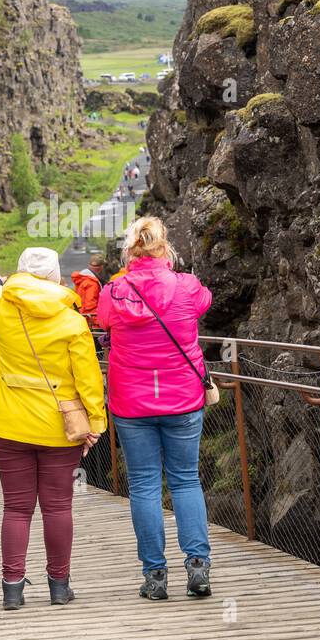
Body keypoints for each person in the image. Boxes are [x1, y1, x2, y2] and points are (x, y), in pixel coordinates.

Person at [0, 247, 106, 610]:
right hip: (58, 428)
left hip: (8, 425)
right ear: (55, 277)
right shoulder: (71, 321)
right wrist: (95, 422)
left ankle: (13, 588)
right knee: (58, 507)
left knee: (16, 509)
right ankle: (59, 587)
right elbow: (89, 380)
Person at [97, 216, 213, 600]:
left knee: (144, 485)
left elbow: (102, 320)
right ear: (166, 248)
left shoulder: (115, 290)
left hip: (132, 402)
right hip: (182, 399)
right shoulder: (188, 286)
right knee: (185, 479)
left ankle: (155, 576)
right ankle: (198, 567)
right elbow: (204, 303)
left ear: (130, 251)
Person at [69, 253, 106, 326]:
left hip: (81, 318)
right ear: (101, 267)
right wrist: (99, 323)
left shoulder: (82, 278)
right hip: (89, 322)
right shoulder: (92, 284)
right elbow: (90, 306)